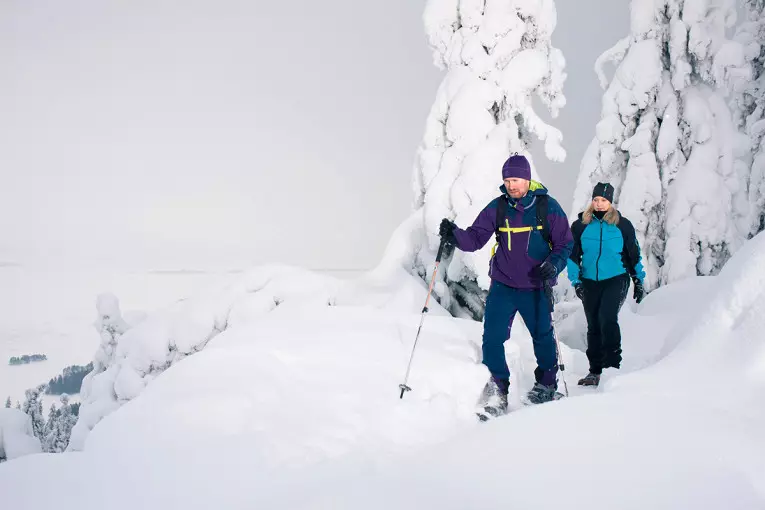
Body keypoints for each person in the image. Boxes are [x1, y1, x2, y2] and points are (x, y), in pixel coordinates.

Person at [439, 154, 573, 416]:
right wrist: (454, 234)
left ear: (527, 179)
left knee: (543, 337)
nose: (512, 185)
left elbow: (565, 243)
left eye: (516, 179)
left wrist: (554, 265)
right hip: (503, 284)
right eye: (508, 180)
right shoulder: (498, 208)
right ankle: (497, 388)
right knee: (492, 337)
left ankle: (546, 385)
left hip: (535, 285)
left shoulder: (548, 207)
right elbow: (475, 239)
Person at [567, 182, 646, 387]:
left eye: (603, 200)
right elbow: (573, 256)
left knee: (607, 318)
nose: (599, 204)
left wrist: (638, 279)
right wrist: (576, 281)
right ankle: (595, 371)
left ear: (610, 202)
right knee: (593, 324)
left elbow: (633, 254)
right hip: (589, 281)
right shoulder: (580, 226)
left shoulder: (622, 225)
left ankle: (611, 369)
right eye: (596, 200)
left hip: (616, 278)